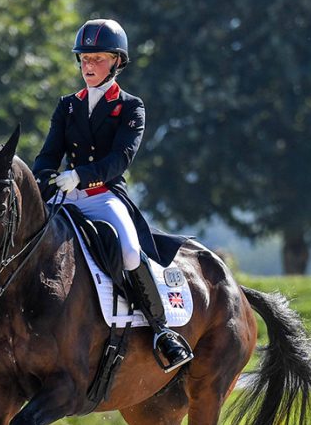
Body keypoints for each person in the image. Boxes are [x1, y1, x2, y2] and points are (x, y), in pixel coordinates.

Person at [33, 19, 193, 373]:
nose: (89, 66)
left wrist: (79, 176)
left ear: (117, 62)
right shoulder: (67, 106)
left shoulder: (131, 107)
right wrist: (42, 180)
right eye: (84, 59)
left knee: (130, 250)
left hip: (102, 195)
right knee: (23, 240)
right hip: (65, 195)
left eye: (99, 59)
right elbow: (47, 155)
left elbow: (120, 158)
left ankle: (160, 330)